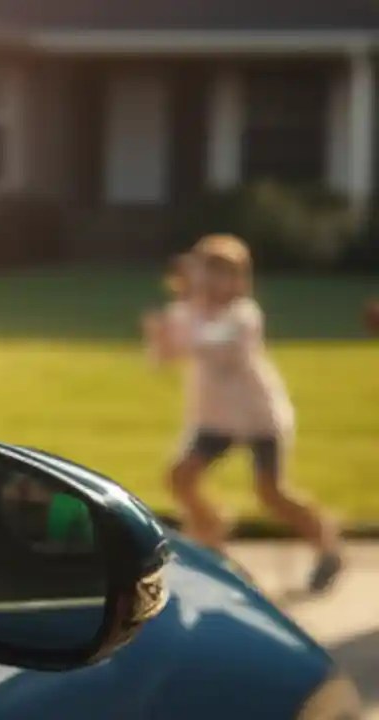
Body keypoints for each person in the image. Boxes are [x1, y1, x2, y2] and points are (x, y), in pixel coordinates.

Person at [142, 234, 343, 593]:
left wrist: (181, 327)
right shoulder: (190, 311)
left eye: (223, 273)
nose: (213, 281)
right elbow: (165, 357)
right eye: (208, 271)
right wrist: (160, 337)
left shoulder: (244, 314)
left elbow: (215, 343)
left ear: (240, 279)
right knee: (180, 478)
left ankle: (327, 544)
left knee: (271, 492)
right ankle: (213, 538)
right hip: (215, 418)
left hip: (258, 416)